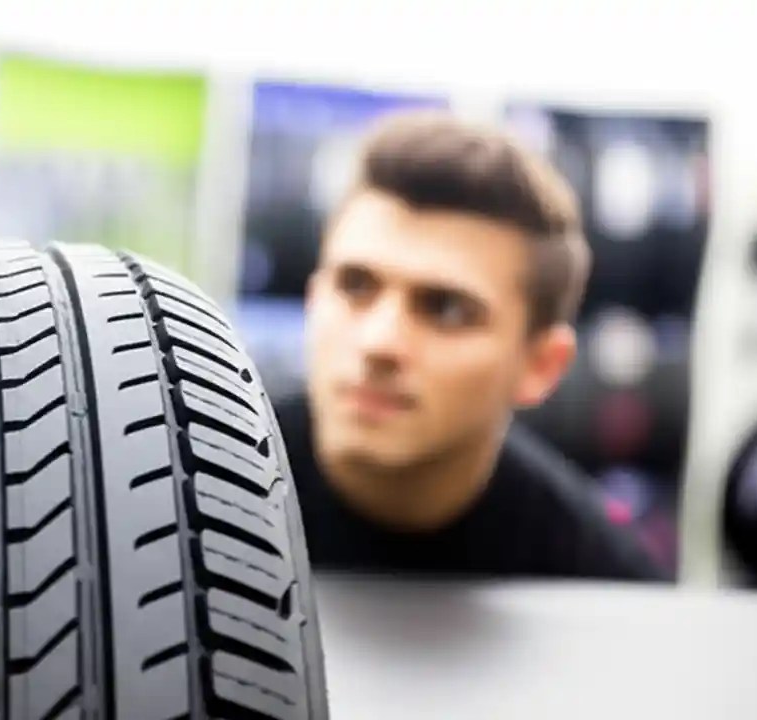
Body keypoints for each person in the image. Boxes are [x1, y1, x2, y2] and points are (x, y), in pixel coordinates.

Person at [277, 112, 663, 581]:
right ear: (313, 298)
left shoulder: (607, 587)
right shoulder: (188, 500)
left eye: (446, 310)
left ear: (541, 366)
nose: (379, 342)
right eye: (355, 286)